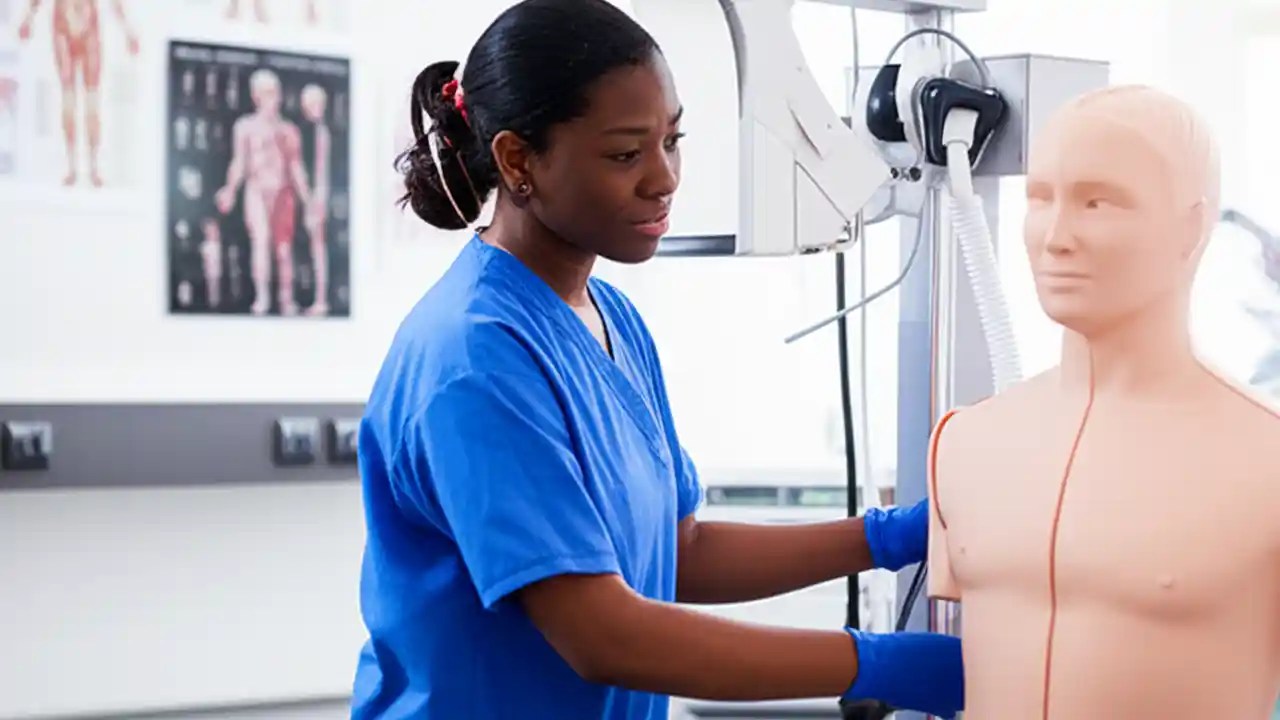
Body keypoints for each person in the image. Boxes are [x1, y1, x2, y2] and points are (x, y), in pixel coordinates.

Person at [351, 1, 963, 719]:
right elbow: (603, 633)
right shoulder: (474, 356)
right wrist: (876, 663)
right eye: (625, 153)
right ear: (519, 160)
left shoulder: (611, 318)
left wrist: (889, 537)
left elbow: (680, 552)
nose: (664, 177)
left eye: (673, 141)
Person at [926, 85, 1280, 719]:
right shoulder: (963, 443)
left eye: (1098, 202)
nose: (1056, 237)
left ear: (1189, 227)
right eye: (1040, 198)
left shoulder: (1267, 459)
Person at [214, 68, 313, 316]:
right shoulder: (245, 127)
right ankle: (262, 298)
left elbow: (296, 166)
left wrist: (307, 199)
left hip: (283, 194)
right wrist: (230, 190)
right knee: (261, 242)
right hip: (257, 190)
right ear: (257, 96)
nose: (274, 98)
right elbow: (239, 162)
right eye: (268, 93)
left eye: (276, 92)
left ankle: (286, 299)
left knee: (283, 248)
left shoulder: (289, 130)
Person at [17, 0, 139, 187]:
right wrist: (28, 19)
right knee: (69, 98)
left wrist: (128, 31)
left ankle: (92, 166)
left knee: (91, 100)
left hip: (87, 25)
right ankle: (73, 166)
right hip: (63, 26)